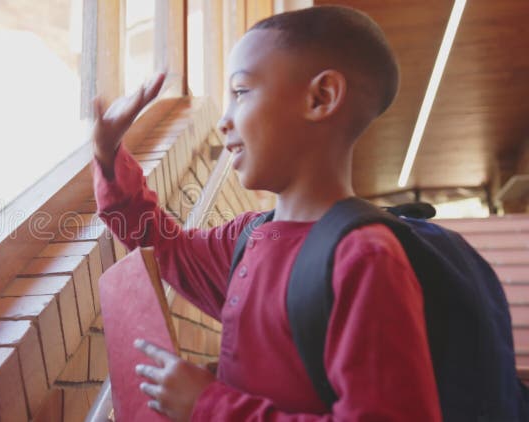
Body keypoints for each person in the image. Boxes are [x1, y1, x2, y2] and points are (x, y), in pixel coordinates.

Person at [91, 5, 441, 421]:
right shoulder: (248, 238)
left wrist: (208, 405)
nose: (223, 121)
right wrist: (109, 157)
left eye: (241, 92)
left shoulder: (365, 258)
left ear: (321, 97)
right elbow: (166, 248)